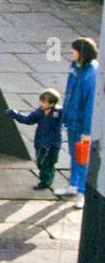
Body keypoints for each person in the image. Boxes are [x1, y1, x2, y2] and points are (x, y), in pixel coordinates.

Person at [56, 37, 98, 208]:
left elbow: (90, 105)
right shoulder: (75, 68)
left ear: (82, 53)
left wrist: (87, 130)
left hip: (81, 123)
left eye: (74, 50)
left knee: (83, 158)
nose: (71, 52)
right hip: (72, 119)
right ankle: (73, 185)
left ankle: (82, 191)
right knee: (75, 155)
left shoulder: (91, 75)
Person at [7, 90, 64, 191]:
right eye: (41, 101)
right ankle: (48, 176)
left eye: (44, 102)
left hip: (53, 144)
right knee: (40, 162)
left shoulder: (58, 112)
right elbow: (28, 119)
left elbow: (67, 116)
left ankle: (46, 181)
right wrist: (16, 114)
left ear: (52, 103)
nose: (41, 104)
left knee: (49, 162)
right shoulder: (39, 113)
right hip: (41, 143)